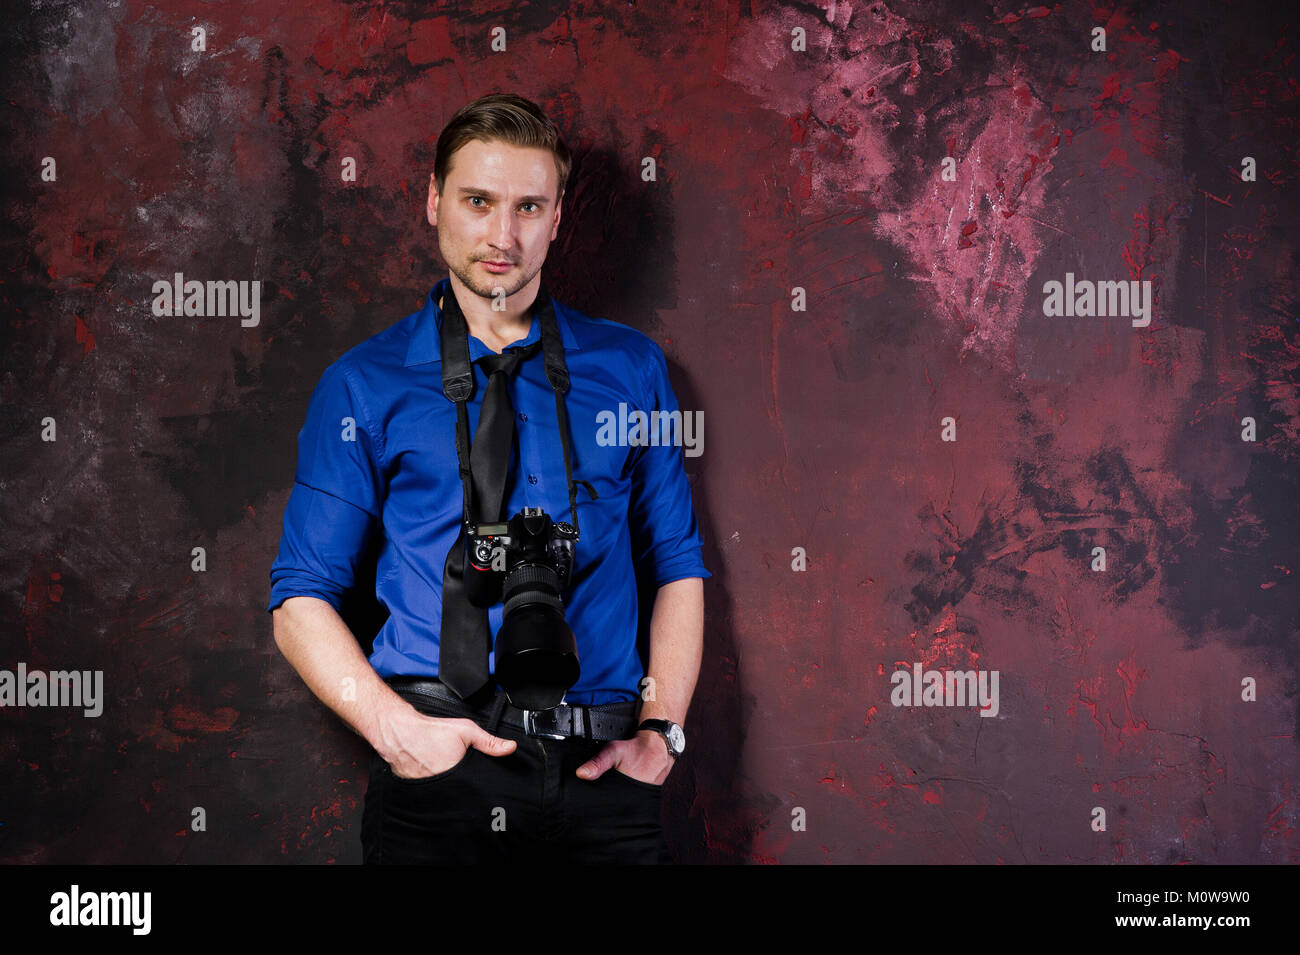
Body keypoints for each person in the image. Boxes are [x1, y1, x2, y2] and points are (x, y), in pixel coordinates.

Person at [266, 92, 709, 864]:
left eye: (529, 206)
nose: (503, 236)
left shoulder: (632, 369)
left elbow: (677, 563)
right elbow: (299, 597)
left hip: (605, 771)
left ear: (558, 216)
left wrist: (661, 732)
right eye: (478, 201)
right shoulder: (363, 384)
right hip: (440, 776)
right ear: (434, 199)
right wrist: (393, 731)